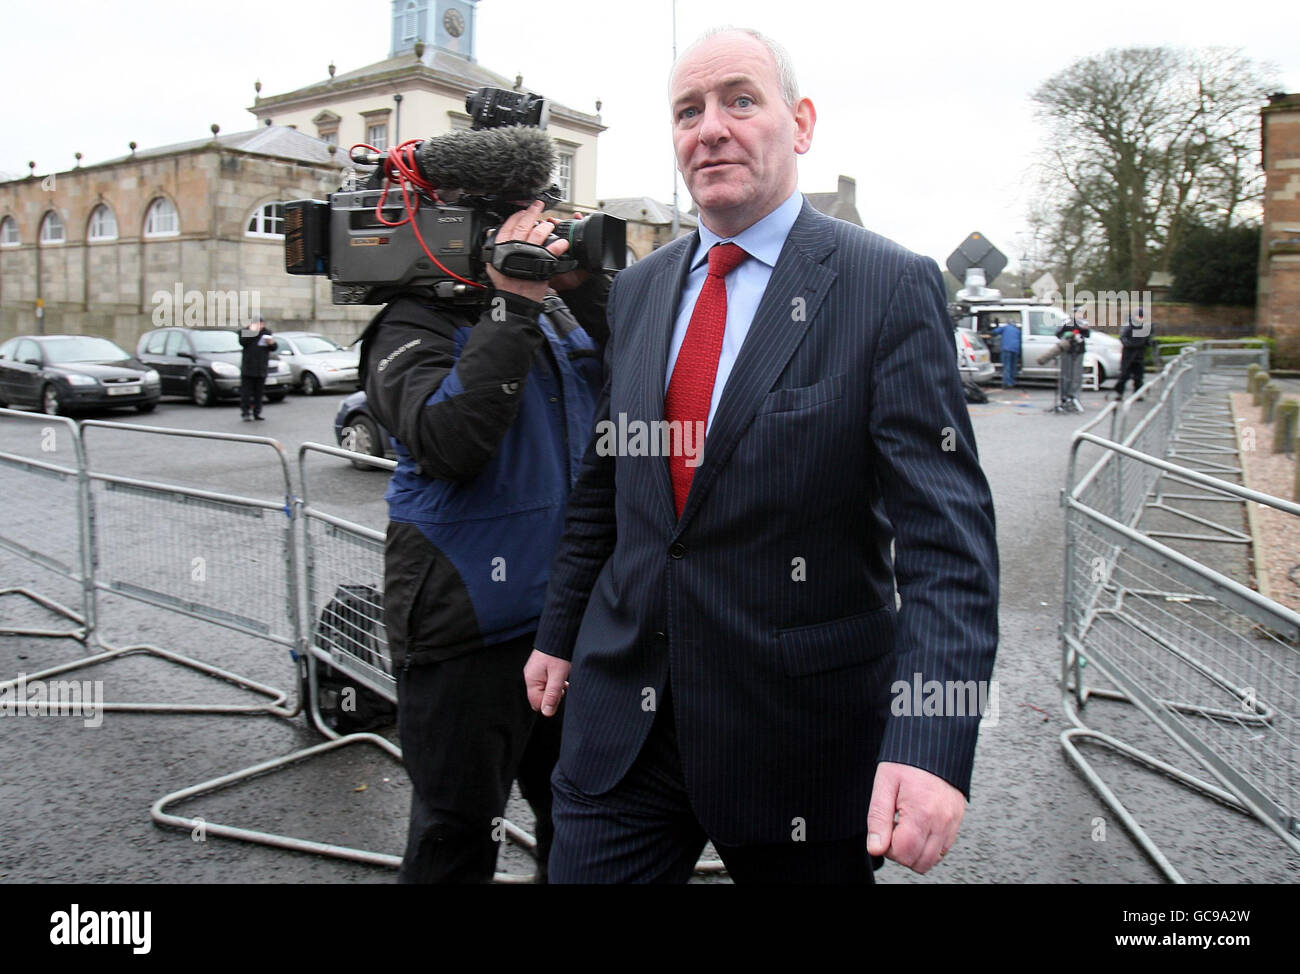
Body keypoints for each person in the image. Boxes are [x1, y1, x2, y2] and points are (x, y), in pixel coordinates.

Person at [524, 27, 999, 884]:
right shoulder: (636, 289)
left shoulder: (886, 286)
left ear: (801, 122)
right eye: (687, 111)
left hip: (801, 743)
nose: (710, 127)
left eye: (741, 100)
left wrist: (932, 742)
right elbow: (606, 486)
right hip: (623, 729)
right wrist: (558, 633)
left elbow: (947, 546)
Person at [360, 203, 611, 883]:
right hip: (466, 625)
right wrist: (512, 305)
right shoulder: (408, 324)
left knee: (586, 819)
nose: (536, 234)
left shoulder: (555, 311)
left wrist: (583, 286)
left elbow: (644, 375)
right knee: (458, 834)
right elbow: (451, 442)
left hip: (569, 623)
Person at [238, 316, 277, 420]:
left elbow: (273, 348)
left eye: (261, 324)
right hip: (248, 368)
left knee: (259, 393)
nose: (260, 326)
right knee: (246, 393)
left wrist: (272, 343)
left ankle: (257, 412)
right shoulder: (245, 332)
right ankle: (245, 413)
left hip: (261, 368)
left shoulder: (267, 332)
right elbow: (242, 342)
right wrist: (253, 332)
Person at [1054, 310, 1090, 413]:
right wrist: (1068, 334)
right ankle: (1064, 397)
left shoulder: (1083, 323)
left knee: (1077, 375)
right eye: (1077, 313)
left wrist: (1083, 330)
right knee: (1066, 375)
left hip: (1079, 351)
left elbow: (1087, 334)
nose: (1079, 315)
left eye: (1080, 313)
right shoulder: (1065, 322)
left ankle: (1074, 397)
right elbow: (1058, 334)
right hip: (1067, 350)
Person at [1115, 307, 1152, 400]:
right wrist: (1130, 345)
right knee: (1124, 376)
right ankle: (1119, 393)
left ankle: (1137, 394)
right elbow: (1123, 338)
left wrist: (1150, 342)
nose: (1141, 318)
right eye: (1139, 316)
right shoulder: (1128, 326)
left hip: (1139, 356)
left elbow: (1148, 341)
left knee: (1138, 377)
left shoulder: (1145, 328)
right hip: (1128, 356)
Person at [991, 317, 1022, 388]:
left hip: (1007, 349)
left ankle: (1007, 383)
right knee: (1013, 366)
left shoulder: (1005, 327)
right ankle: (1012, 382)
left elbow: (994, 332)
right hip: (1015, 349)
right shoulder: (1018, 330)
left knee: (1007, 366)